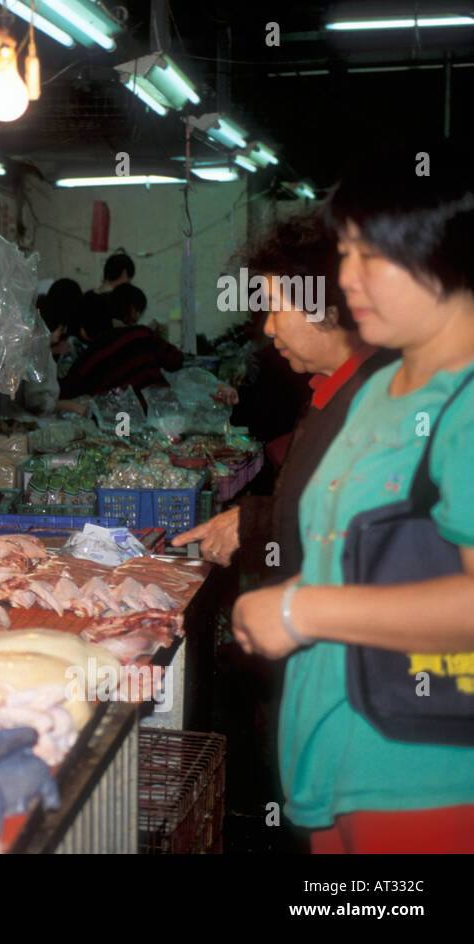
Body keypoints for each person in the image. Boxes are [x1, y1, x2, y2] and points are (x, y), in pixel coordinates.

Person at [231, 147, 474, 853]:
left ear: (444, 251)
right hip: (333, 761)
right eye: (346, 253)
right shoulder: (379, 390)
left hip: (425, 779)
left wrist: (300, 609)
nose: (345, 278)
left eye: (371, 256)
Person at [172, 213, 397, 572]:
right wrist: (254, 520)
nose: (270, 328)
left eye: (276, 308)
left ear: (328, 307)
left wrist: (259, 526)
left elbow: (374, 541)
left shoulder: (380, 404)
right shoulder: (330, 391)